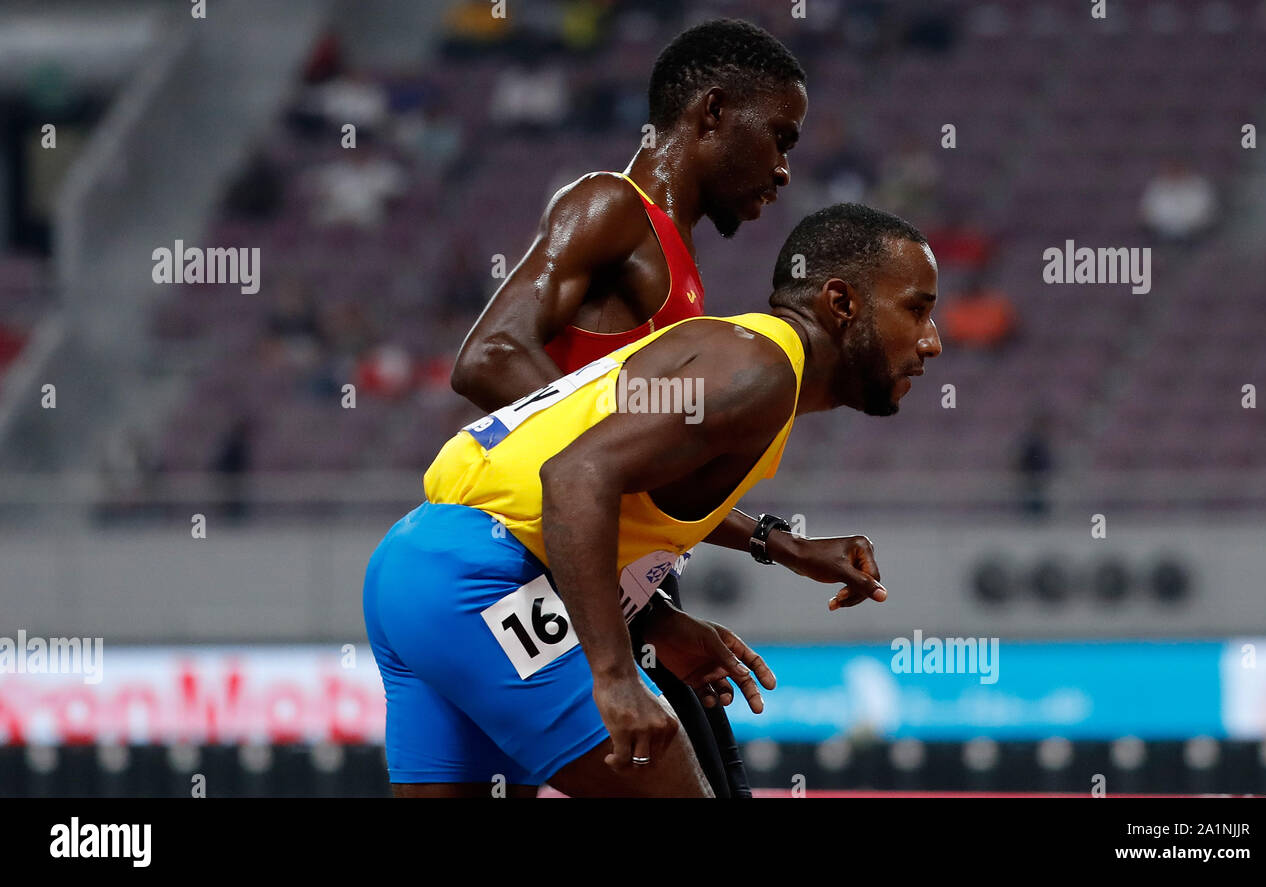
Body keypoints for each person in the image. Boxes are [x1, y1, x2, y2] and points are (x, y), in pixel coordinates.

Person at [362, 203, 943, 797]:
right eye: (917, 310)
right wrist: (614, 675)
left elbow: (627, 480)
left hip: (418, 568)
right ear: (842, 304)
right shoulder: (761, 372)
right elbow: (576, 477)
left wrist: (778, 546)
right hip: (485, 585)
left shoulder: (741, 354)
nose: (933, 342)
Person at [449, 17, 809, 798]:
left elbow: (639, 458)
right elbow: (487, 358)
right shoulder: (613, 206)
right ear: (711, 112)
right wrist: (641, 615)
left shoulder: (681, 272)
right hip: (572, 569)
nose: (783, 170)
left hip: (614, 573)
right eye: (779, 137)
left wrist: (773, 542)